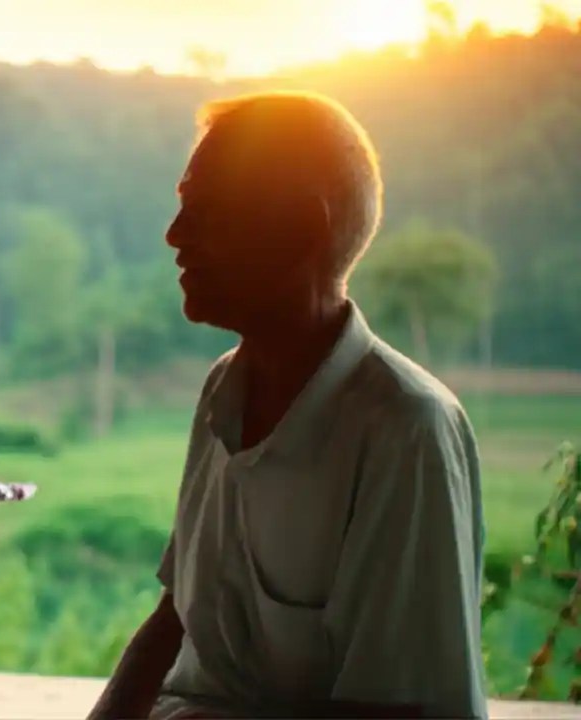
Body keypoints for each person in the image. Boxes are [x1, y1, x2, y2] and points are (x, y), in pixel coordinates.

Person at [88, 91, 486, 719]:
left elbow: (402, 712)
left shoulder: (405, 427)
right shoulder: (224, 391)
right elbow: (175, 617)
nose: (175, 236)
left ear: (302, 225)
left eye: (207, 210)